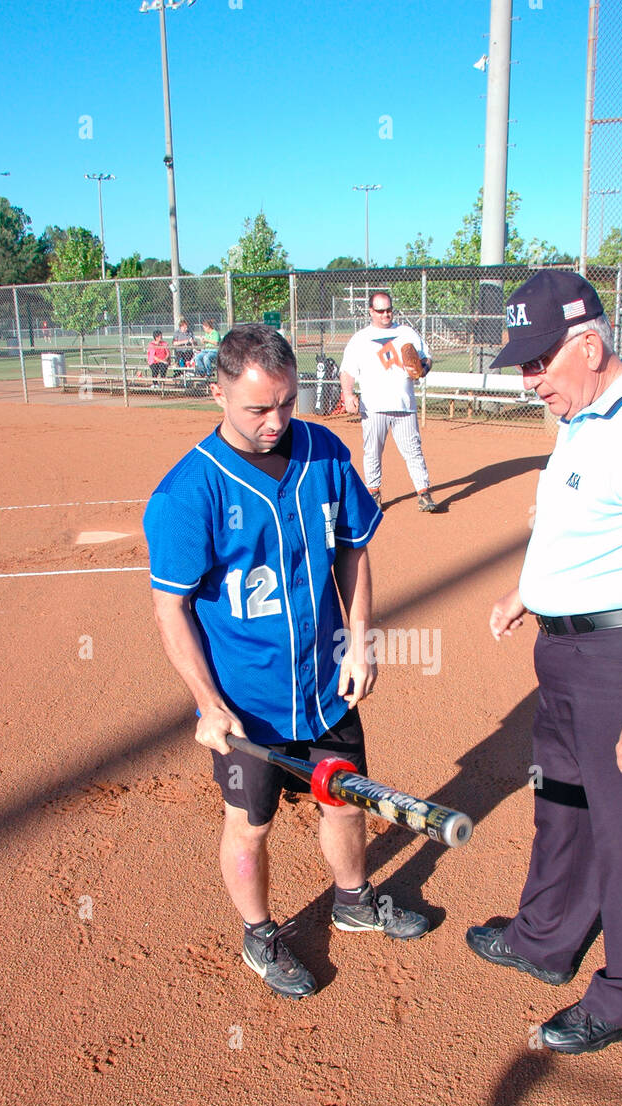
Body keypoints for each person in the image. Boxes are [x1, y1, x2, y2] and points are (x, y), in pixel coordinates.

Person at [143, 324, 430, 1000]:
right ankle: (260, 933)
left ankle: (353, 900)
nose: (275, 422)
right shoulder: (188, 493)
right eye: (257, 408)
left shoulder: (324, 452)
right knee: (251, 825)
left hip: (326, 685)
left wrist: (359, 637)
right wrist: (209, 705)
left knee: (346, 802)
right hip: (247, 705)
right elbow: (170, 609)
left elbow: (354, 547)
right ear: (217, 393)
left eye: (287, 402)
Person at [465, 269, 622, 1054]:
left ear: (591, 345)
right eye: (524, 363)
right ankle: (544, 939)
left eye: (541, 361)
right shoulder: (583, 414)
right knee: (562, 802)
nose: (531, 380)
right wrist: (527, 591)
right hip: (566, 649)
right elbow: (581, 524)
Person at [340, 291, 437, 512]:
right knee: (372, 451)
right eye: (381, 311)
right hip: (374, 407)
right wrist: (348, 394)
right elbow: (347, 371)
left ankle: (423, 494)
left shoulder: (406, 333)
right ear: (371, 311)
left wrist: (423, 368)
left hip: (404, 405)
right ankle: (373, 493)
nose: (386, 314)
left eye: (389, 310)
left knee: (413, 451)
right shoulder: (360, 339)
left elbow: (426, 358)